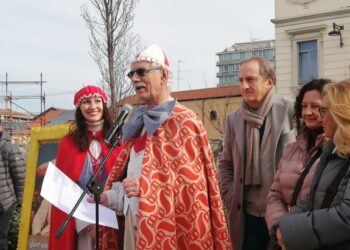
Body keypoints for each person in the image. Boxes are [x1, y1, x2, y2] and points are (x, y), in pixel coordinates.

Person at [94, 44, 232, 250]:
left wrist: (147, 189)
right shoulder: (137, 123)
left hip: (169, 234)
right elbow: (129, 182)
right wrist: (108, 197)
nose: (134, 79)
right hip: (134, 231)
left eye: (141, 72)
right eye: (131, 73)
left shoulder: (185, 122)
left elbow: (191, 192)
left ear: (164, 76)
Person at [218, 56, 295, 250]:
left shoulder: (291, 111)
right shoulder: (233, 119)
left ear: (269, 82)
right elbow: (226, 163)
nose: (244, 86)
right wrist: (230, 194)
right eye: (241, 80)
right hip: (247, 217)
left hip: (285, 214)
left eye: (250, 79)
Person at [277, 79, 350, 249]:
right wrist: (281, 226)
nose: (319, 115)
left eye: (324, 110)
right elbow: (312, 200)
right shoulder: (333, 153)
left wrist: (290, 230)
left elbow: (346, 216)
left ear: (341, 114)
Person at [48, 85, 122, 250]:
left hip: (114, 216)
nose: (93, 106)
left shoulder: (119, 141)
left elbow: (123, 181)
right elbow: (63, 191)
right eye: (87, 102)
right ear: (79, 108)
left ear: (104, 105)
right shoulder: (68, 143)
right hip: (80, 222)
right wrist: (88, 223)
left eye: (97, 101)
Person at [265, 78, 331, 247]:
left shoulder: (338, 150)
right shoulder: (293, 148)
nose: (308, 112)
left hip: (315, 238)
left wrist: (295, 230)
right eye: (304, 106)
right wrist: (280, 228)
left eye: (315, 106)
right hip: (284, 237)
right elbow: (275, 194)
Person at [0, 122, 26, 250]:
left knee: (1, 238)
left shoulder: (9, 148)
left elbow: (20, 176)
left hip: (4, 203)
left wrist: (21, 204)